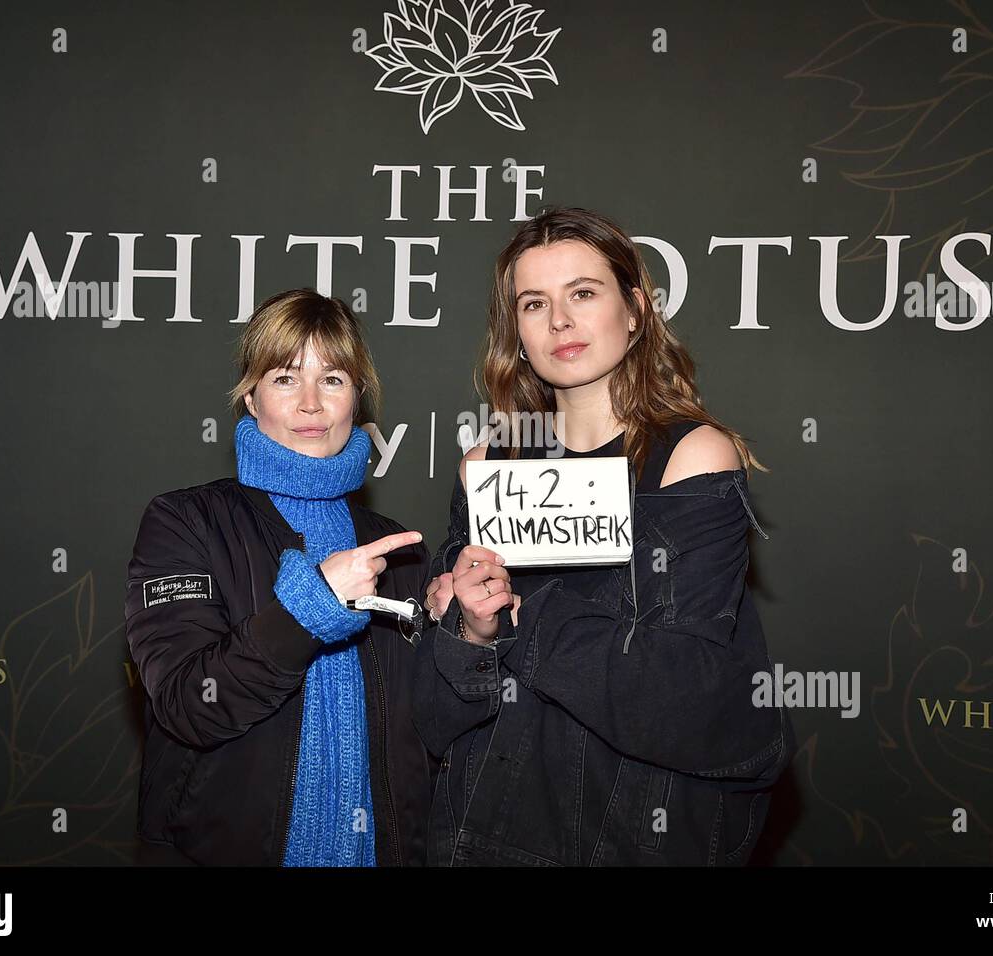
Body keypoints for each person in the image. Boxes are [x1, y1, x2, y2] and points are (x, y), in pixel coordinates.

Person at [413, 207, 796, 866]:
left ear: (636, 309)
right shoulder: (487, 466)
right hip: (478, 833)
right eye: (534, 303)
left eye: (582, 293)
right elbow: (434, 719)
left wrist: (513, 615)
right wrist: (466, 638)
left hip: (630, 838)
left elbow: (680, 695)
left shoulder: (693, 456)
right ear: (518, 332)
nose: (559, 320)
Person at [125, 289, 434, 866]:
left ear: (357, 397)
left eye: (334, 379)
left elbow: (435, 732)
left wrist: (472, 639)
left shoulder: (400, 547)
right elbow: (191, 704)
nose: (312, 404)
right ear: (251, 395)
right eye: (287, 378)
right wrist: (310, 608)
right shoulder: (185, 523)